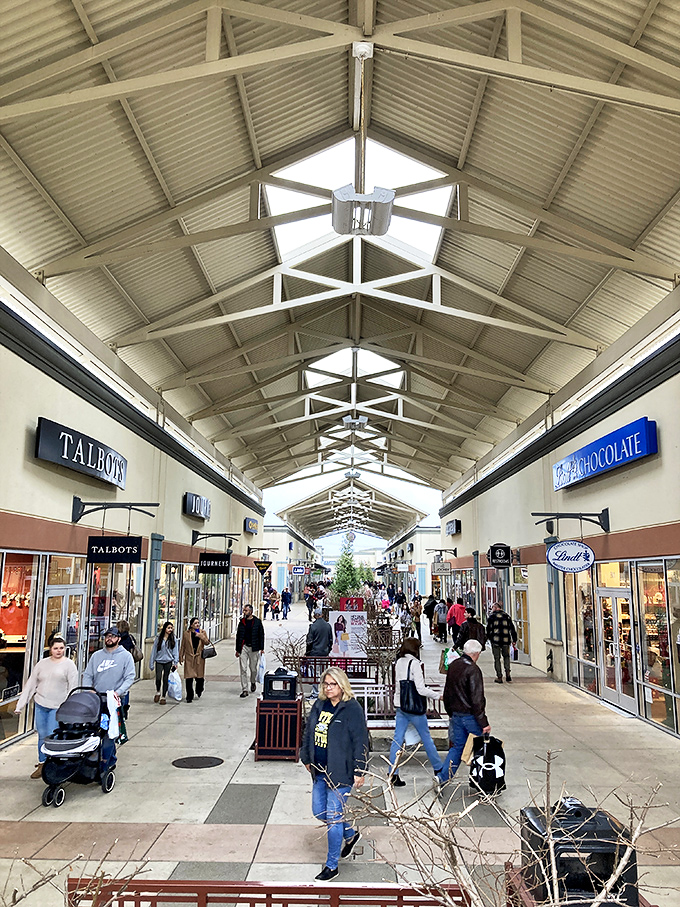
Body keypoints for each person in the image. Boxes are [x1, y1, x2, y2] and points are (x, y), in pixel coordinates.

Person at [300, 667, 369, 881]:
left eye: (333, 684)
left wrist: (359, 770)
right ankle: (350, 833)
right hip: (319, 770)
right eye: (326, 684)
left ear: (342, 686)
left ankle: (332, 865)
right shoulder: (320, 705)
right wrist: (306, 756)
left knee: (333, 818)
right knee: (319, 811)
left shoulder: (352, 709)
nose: (328, 688)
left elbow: (361, 741)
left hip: (341, 772)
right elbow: (308, 731)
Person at [14, 635, 77, 778]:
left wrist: (69, 707)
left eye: (62, 648)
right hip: (41, 705)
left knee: (51, 735)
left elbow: (73, 688)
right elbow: (31, 684)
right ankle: (42, 764)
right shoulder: (42, 664)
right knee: (42, 736)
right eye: (56, 648)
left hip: (57, 706)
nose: (59, 651)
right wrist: (20, 705)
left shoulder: (69, 665)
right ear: (50, 649)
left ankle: (53, 764)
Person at [388, 638, 443, 786]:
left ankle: (392, 773)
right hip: (414, 708)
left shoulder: (399, 662)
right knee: (426, 738)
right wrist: (438, 696)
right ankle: (438, 768)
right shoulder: (416, 664)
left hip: (400, 706)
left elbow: (399, 686)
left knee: (397, 740)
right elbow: (420, 689)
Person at [437, 639, 490, 783]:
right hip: (470, 717)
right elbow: (476, 698)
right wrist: (483, 722)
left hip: (456, 714)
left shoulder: (454, 665)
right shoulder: (473, 670)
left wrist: (450, 712)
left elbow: (447, 691)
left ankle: (442, 778)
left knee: (457, 747)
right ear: (476, 653)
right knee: (480, 749)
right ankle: (481, 781)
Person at [235, 603, 265, 698]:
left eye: (246, 610)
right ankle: (245, 689)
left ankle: (253, 682)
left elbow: (261, 635)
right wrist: (237, 649)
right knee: (243, 669)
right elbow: (238, 636)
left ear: (251, 612)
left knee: (253, 668)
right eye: (244, 610)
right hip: (243, 647)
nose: (244, 612)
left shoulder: (257, 622)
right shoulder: (242, 622)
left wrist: (262, 648)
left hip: (254, 647)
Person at [179, 617, 210, 702]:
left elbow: (207, 642)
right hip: (189, 658)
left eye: (198, 623)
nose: (197, 625)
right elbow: (183, 646)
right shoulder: (186, 634)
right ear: (191, 625)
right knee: (188, 678)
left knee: (199, 677)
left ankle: (199, 689)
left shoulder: (202, 632)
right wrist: (181, 656)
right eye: (195, 623)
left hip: (199, 658)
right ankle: (189, 696)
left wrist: (201, 636)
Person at [486, 602, 518, 683]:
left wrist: (489, 638)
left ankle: (499, 676)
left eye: (493, 607)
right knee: (506, 657)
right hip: (506, 640)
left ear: (496, 608)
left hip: (495, 640)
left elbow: (488, 629)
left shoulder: (492, 617)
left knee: (497, 659)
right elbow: (512, 628)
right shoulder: (506, 616)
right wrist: (514, 640)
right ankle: (508, 673)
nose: (492, 609)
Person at [149, 621, 179, 704]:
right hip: (159, 660)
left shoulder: (173, 639)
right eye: (168, 628)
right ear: (164, 629)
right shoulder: (159, 638)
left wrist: (175, 662)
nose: (170, 630)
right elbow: (154, 650)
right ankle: (158, 691)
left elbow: (175, 651)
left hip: (168, 661)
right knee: (158, 677)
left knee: (165, 679)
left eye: (171, 628)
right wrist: (151, 662)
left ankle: (163, 696)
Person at [116, 619, 138, 717]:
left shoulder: (119, 639)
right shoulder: (130, 637)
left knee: (118, 684)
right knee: (126, 686)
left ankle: (121, 705)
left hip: (119, 664)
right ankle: (125, 706)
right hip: (129, 663)